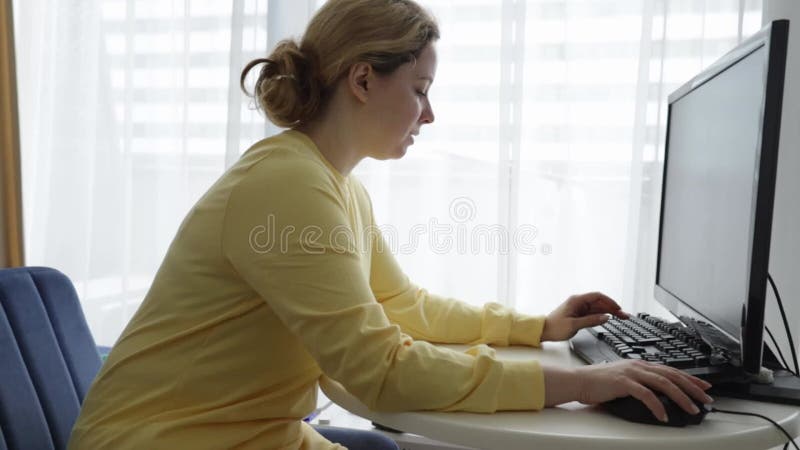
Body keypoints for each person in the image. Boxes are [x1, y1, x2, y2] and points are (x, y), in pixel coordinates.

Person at [68, 0, 713, 449]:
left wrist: (536, 327)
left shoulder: (332, 184)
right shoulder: (287, 185)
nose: (428, 115)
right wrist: (577, 383)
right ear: (362, 80)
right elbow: (380, 366)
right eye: (421, 88)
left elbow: (400, 306)